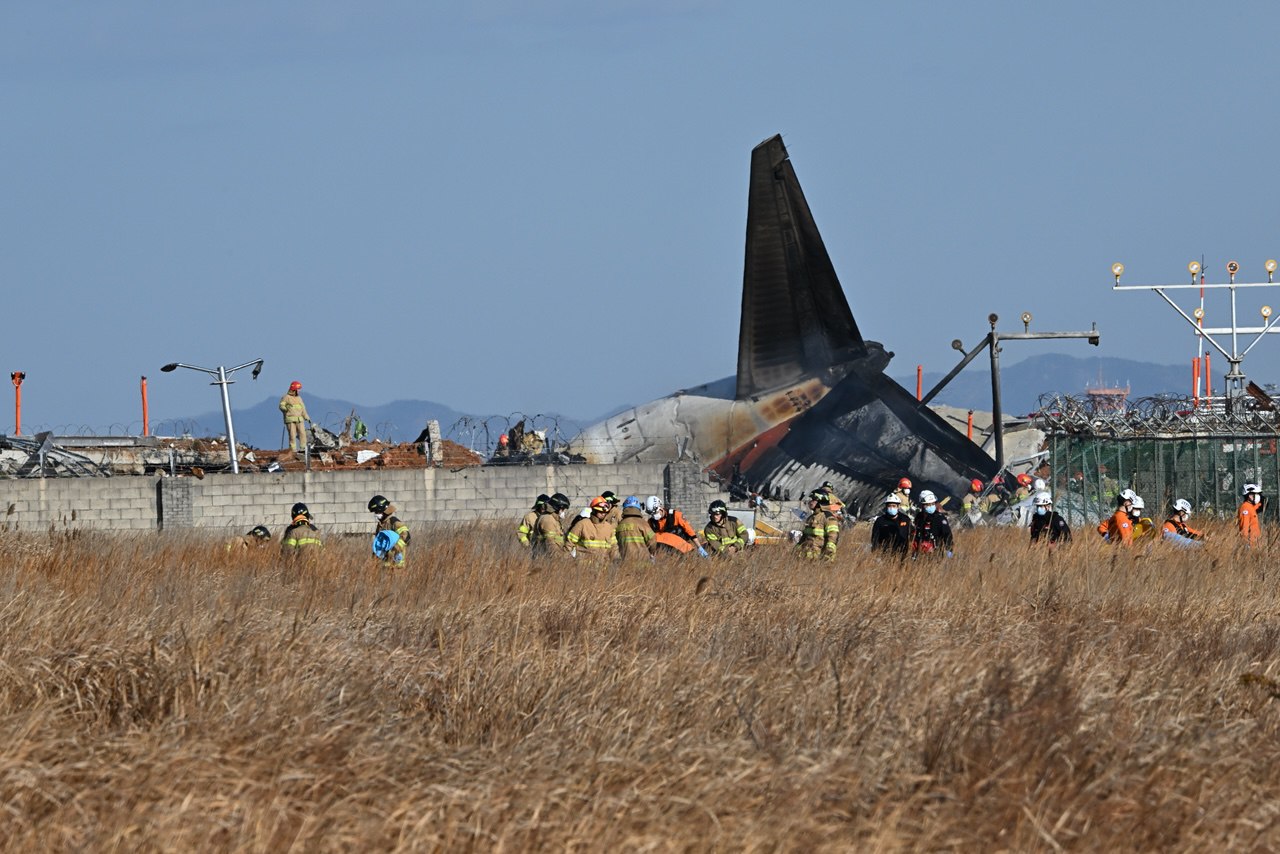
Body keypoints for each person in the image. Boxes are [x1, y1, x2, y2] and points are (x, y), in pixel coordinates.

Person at [565, 496, 619, 561]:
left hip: (603, 568)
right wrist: (567, 561)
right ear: (594, 511)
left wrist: (616, 560)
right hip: (584, 567)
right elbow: (569, 544)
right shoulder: (582, 524)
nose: (603, 514)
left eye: (605, 512)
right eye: (600, 512)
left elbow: (614, 547)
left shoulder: (609, 528)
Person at [368, 494, 410, 567]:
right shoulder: (381, 525)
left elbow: (407, 537)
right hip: (385, 565)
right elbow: (379, 544)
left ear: (382, 510)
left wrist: (393, 548)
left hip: (397, 566)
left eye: (376, 512)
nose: (375, 515)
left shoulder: (394, 522)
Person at [797, 489, 840, 560]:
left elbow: (833, 536)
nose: (810, 502)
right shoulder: (811, 518)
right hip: (807, 557)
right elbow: (805, 536)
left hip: (820, 558)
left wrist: (828, 553)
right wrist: (797, 548)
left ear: (821, 501)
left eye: (814, 500)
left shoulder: (828, 517)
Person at [912, 489, 953, 556]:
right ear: (922, 505)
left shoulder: (940, 518)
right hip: (920, 553)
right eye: (928, 504)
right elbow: (916, 534)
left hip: (936, 554)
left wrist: (949, 551)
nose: (931, 506)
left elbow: (947, 535)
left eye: (933, 504)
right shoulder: (919, 517)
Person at [615, 496, 657, 561]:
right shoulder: (642, 523)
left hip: (625, 563)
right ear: (638, 508)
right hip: (642, 561)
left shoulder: (620, 524)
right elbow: (652, 541)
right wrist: (652, 553)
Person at [531, 492, 571, 559]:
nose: (564, 512)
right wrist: (561, 558)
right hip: (546, 560)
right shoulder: (548, 519)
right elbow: (550, 543)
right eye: (563, 509)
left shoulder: (554, 519)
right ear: (558, 508)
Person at [279, 381, 312, 453]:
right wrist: (285, 408)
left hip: (300, 419)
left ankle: (303, 449)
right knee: (292, 435)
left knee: (302, 434)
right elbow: (281, 406)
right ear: (294, 389)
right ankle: (293, 450)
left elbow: (303, 408)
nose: (299, 391)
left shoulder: (299, 398)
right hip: (290, 420)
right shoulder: (286, 397)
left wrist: (306, 416)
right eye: (298, 389)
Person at [1238, 483, 1263, 547]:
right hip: (1250, 544)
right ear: (1250, 495)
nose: (1258, 496)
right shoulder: (1245, 508)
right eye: (1256, 494)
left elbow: (1259, 506)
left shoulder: (1251, 507)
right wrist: (1245, 543)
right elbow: (1244, 526)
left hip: (1255, 543)